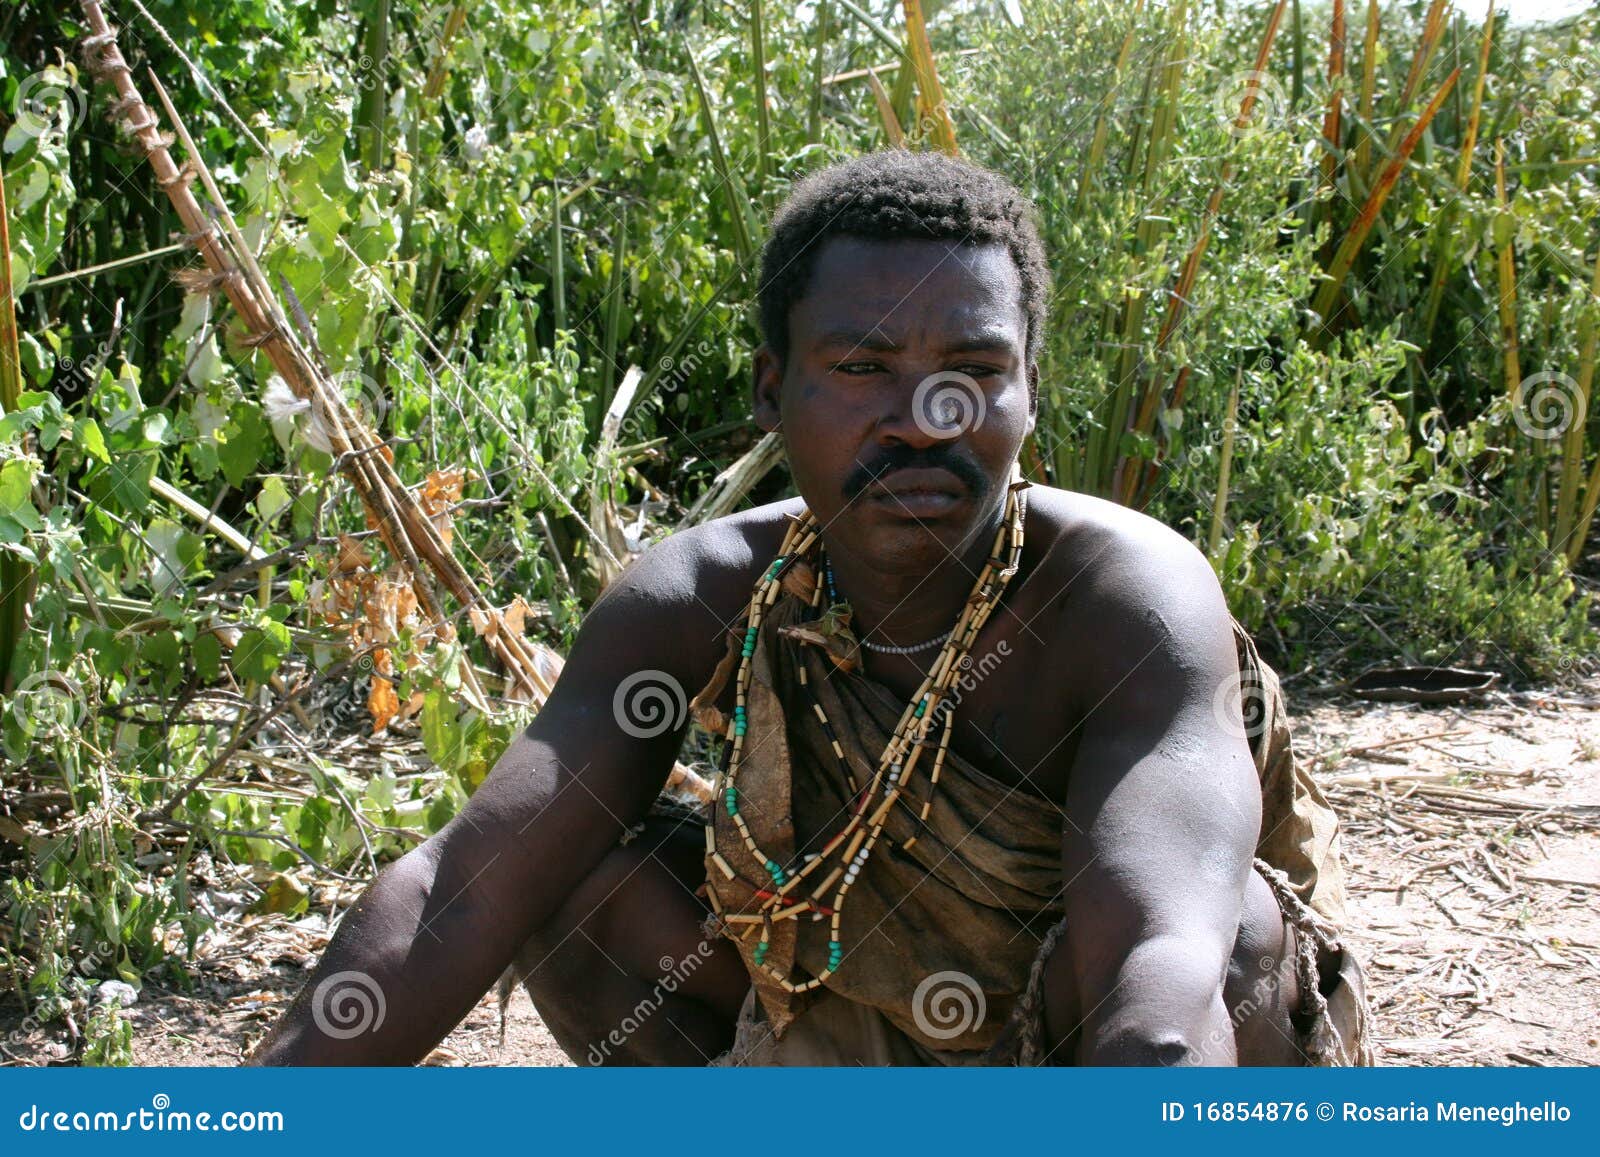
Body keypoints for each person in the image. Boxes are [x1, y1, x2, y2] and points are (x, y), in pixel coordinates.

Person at [250, 149, 1371, 1067]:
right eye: (862, 366)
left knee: (1236, 939)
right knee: (582, 884)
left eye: (974, 369)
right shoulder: (698, 595)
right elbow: (460, 891)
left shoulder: (1120, 598)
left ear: (1030, 389)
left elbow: (1158, 964)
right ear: (769, 389)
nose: (924, 415)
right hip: (827, 1031)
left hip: (1085, 1056)